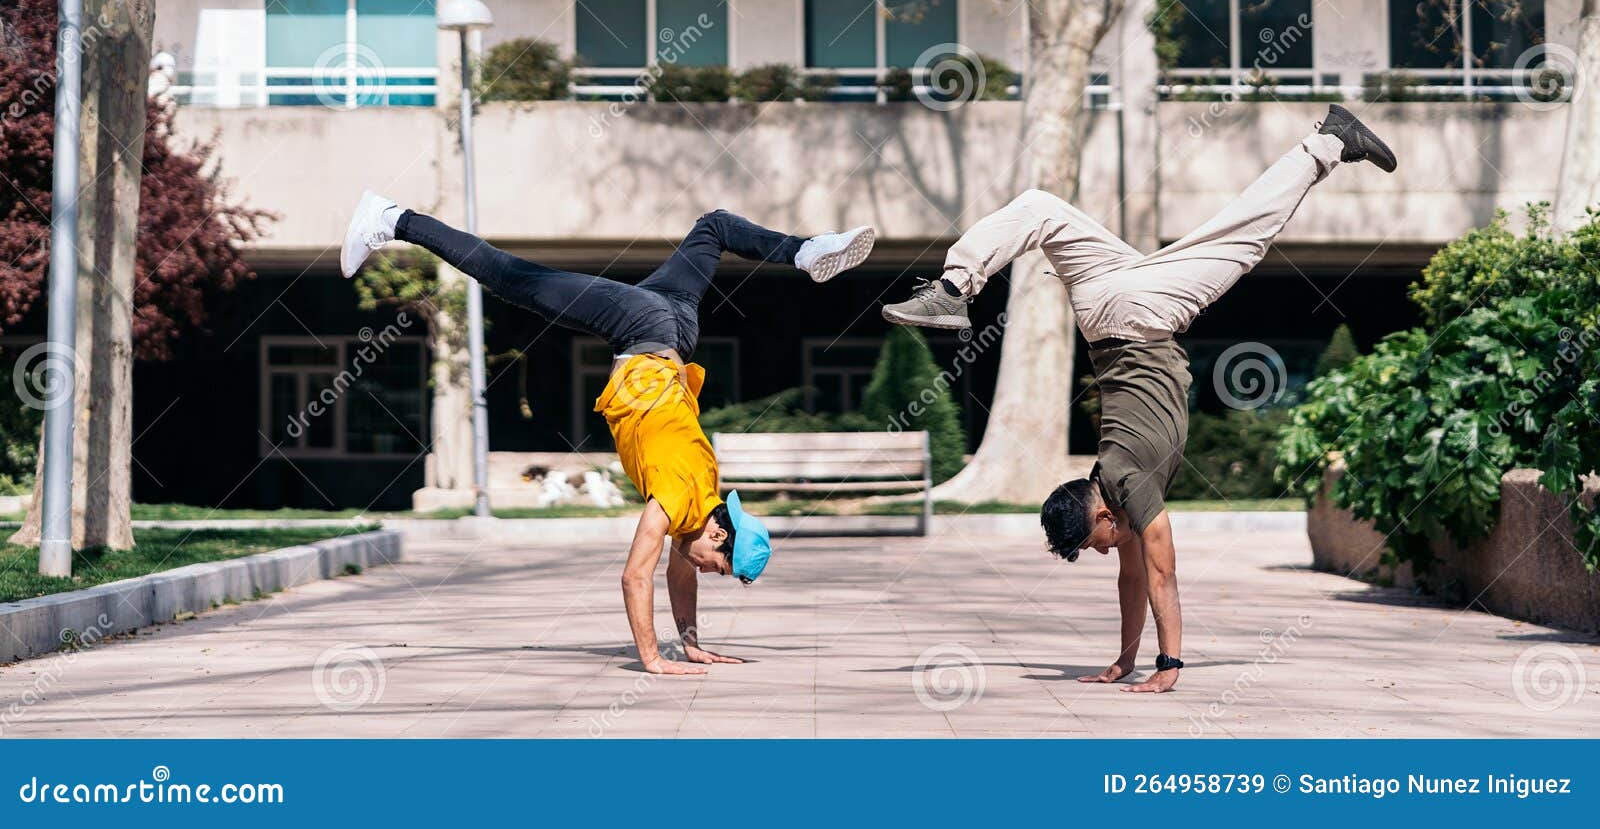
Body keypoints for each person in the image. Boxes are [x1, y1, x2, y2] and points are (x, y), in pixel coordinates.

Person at [881, 104, 1396, 694]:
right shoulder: (1114, 482)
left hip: (1142, 314)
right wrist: (1124, 660)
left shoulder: (1130, 485)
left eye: (1093, 544)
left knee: (1242, 237)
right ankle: (953, 284)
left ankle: (1327, 143)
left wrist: (1167, 667)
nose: (1104, 553)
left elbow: (1162, 574)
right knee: (1040, 209)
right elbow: (1132, 579)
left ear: (1103, 515)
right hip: (1106, 303)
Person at [340, 193, 875, 675]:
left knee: (714, 227)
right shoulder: (674, 500)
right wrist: (652, 659)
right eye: (722, 569)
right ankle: (393, 218)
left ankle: (806, 252)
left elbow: (680, 573)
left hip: (676, 325)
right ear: (717, 536)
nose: (711, 574)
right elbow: (633, 577)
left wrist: (689, 643)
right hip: (644, 329)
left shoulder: (702, 496)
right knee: (509, 276)